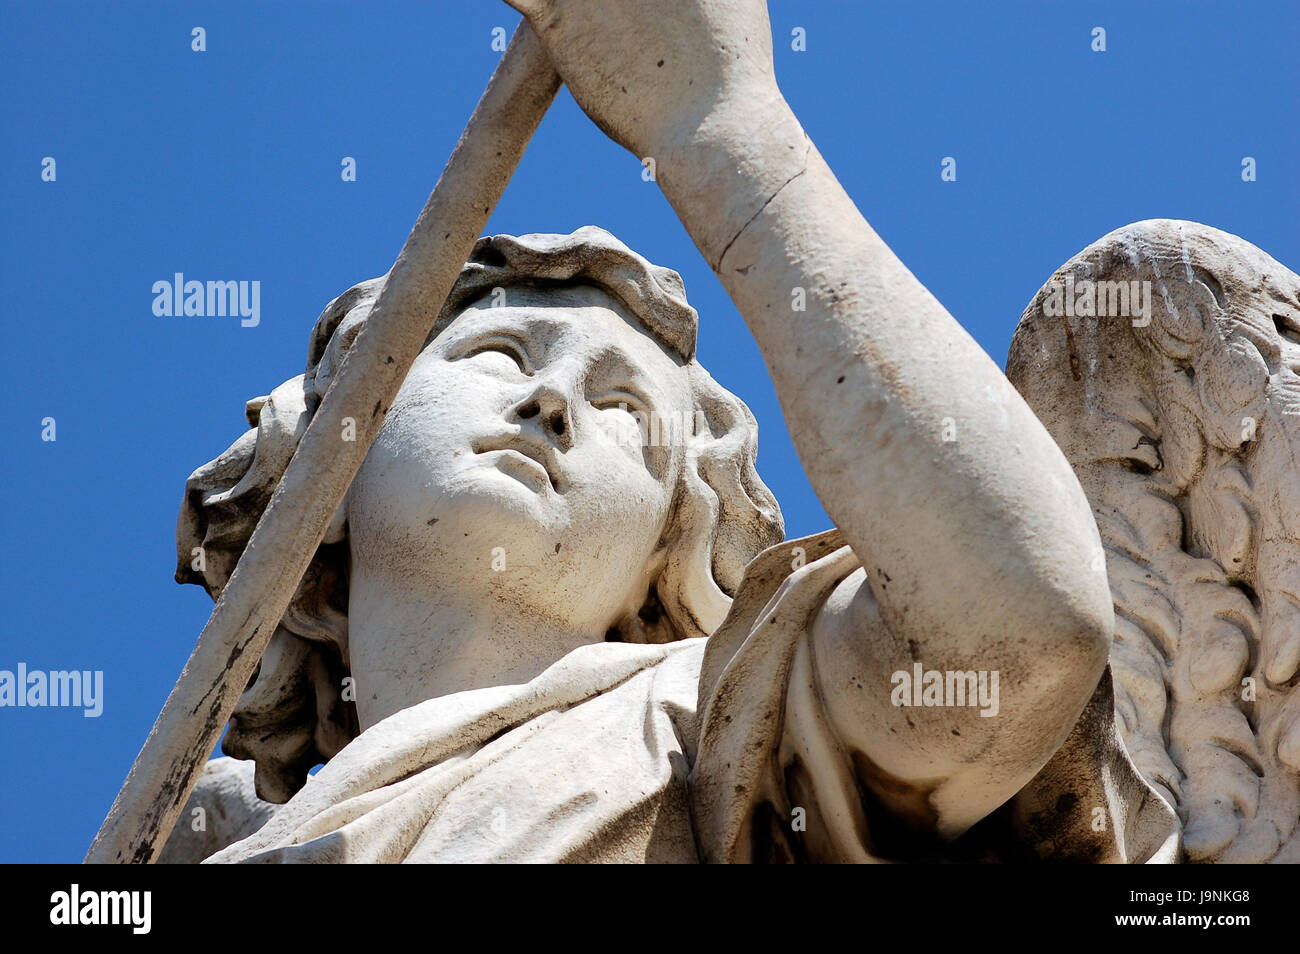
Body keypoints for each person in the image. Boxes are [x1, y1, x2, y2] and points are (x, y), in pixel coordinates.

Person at [161, 0, 1180, 863]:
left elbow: (1019, 632)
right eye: (500, 358)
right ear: (341, 450)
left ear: (664, 560)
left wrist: (717, 123)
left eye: (625, 414)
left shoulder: (708, 720)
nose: (552, 401)